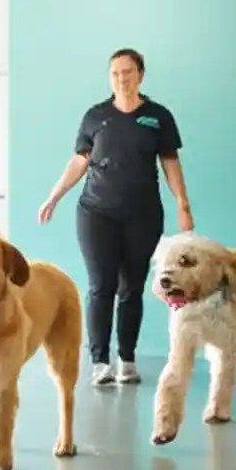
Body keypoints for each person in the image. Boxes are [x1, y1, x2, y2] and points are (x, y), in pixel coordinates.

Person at [38, 48, 193, 386]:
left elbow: (170, 162)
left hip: (143, 215)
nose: (122, 78)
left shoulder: (158, 116)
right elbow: (79, 161)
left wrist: (183, 204)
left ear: (140, 75)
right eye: (115, 73)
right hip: (96, 213)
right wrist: (54, 197)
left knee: (132, 288)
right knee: (101, 286)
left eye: (128, 72)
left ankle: (126, 359)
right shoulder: (96, 116)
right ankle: (99, 362)